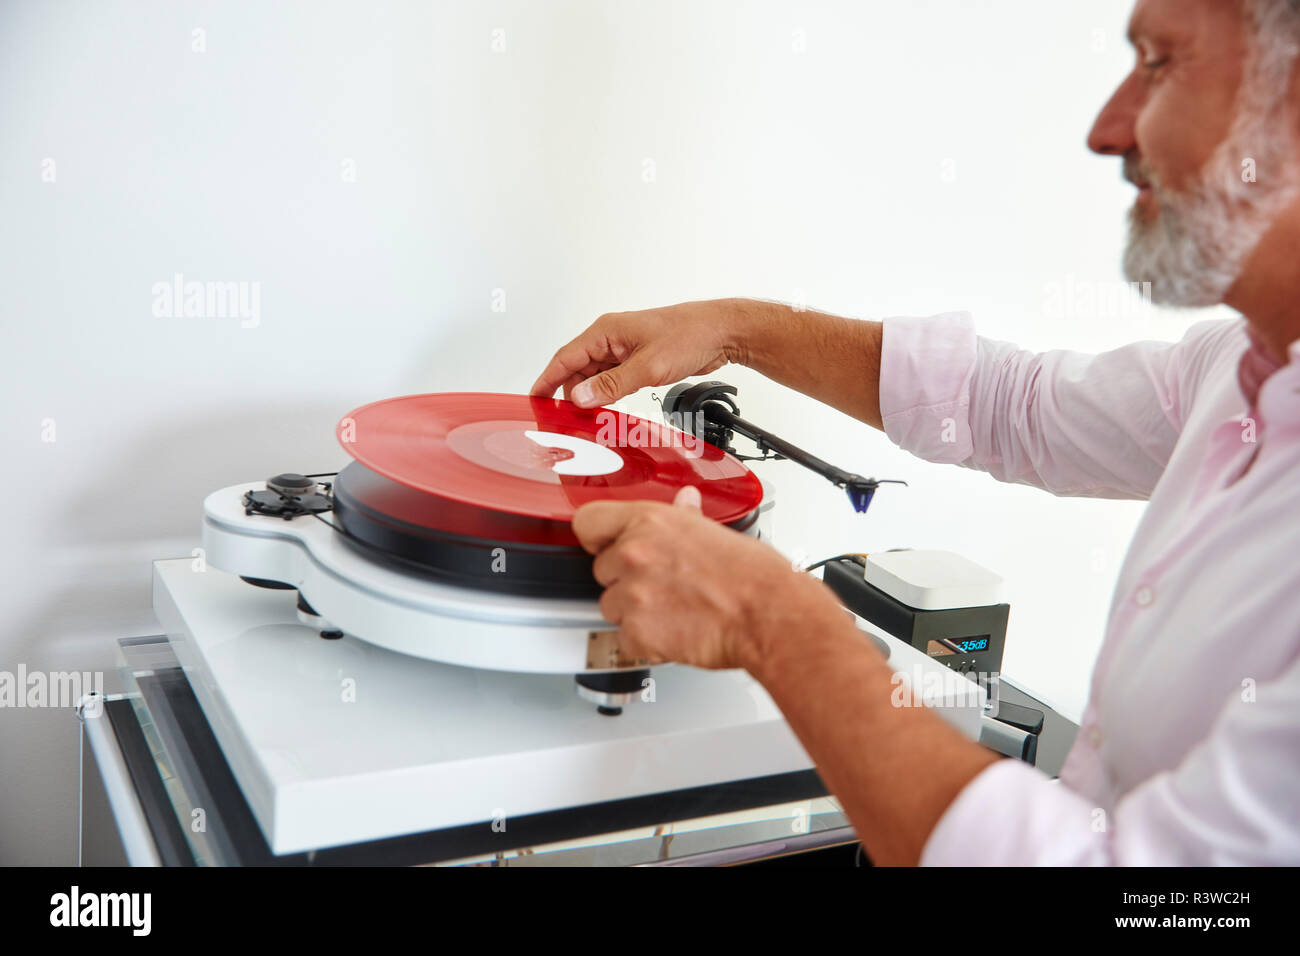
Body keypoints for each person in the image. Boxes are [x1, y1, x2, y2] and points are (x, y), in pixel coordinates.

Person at [530, 0, 1300, 865]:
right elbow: (1010, 402)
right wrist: (729, 326)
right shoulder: (1240, 364)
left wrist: (771, 618)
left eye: (1159, 63)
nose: (1107, 129)